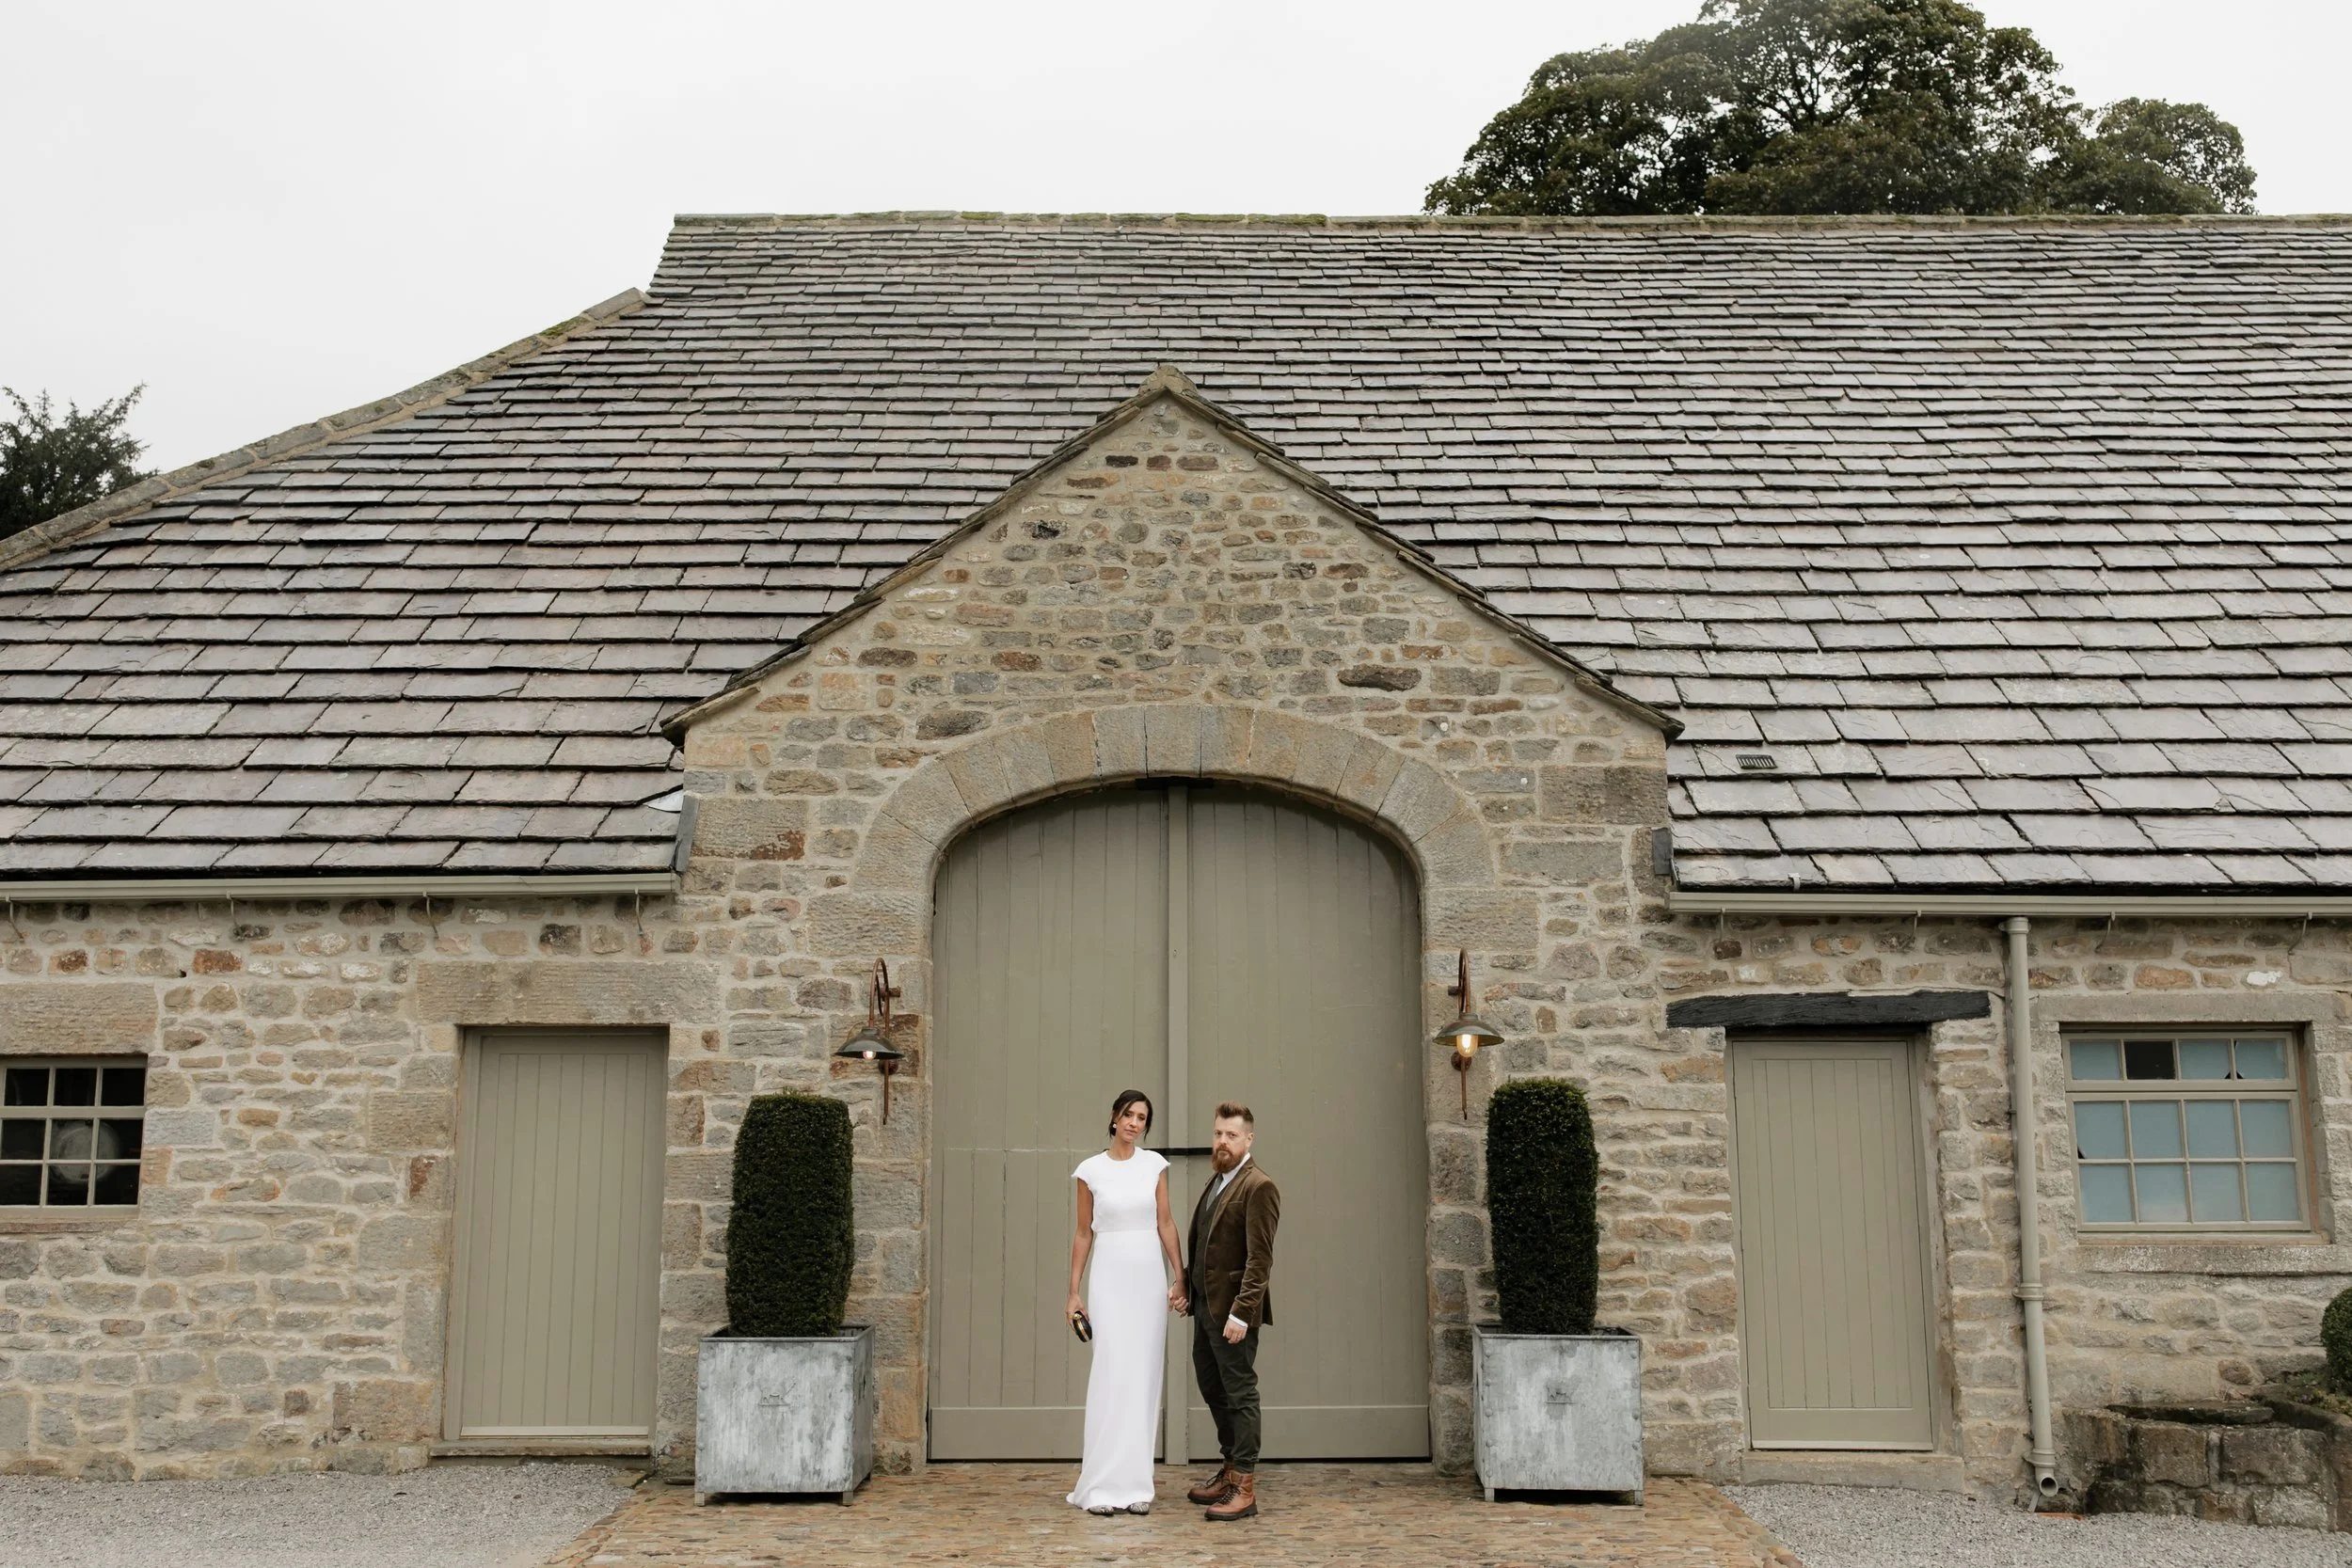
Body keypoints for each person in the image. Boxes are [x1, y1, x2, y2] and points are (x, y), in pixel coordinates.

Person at [1064, 1088, 1188, 1515]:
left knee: (1143, 1377)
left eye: (1143, 1118)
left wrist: (1180, 1276)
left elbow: (1166, 1222)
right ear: (1114, 1117)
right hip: (1110, 1278)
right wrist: (1074, 1292)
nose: (1135, 1123)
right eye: (1129, 1115)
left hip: (1148, 1280)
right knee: (1110, 1373)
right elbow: (1084, 1233)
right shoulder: (1090, 1171)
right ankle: (1099, 1485)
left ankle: (1137, 1485)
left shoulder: (1155, 1165)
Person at [1183, 1101, 1279, 1522]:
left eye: (1232, 1135)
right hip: (1205, 1310)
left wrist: (1242, 1313)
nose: (1223, 1141)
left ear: (1249, 1139)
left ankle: (1245, 1486)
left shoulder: (1258, 1186)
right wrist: (1185, 1287)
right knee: (1212, 1388)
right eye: (1219, 1133)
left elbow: (1260, 1259)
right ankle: (1229, 1468)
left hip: (1233, 1316)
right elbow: (1206, 1245)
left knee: (1240, 1395)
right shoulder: (1218, 1181)